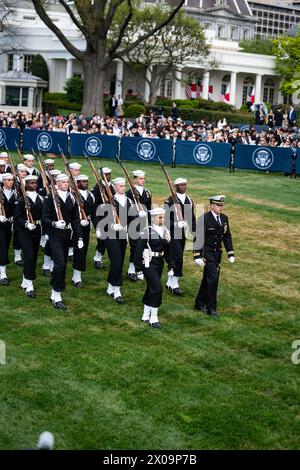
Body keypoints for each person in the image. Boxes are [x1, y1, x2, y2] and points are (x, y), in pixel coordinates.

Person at [42, 173, 83, 310]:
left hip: (67, 234)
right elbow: (44, 219)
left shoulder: (72, 198)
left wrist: (80, 237)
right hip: (54, 234)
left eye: (67, 182)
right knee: (59, 264)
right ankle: (57, 294)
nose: (66, 184)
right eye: (63, 182)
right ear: (57, 183)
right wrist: (54, 223)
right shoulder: (50, 198)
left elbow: (76, 219)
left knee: (63, 264)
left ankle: (54, 290)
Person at [193, 195, 235, 317]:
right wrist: (197, 255)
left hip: (217, 253)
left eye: (221, 205)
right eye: (218, 205)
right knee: (213, 280)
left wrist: (230, 252)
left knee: (208, 279)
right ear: (211, 205)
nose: (220, 207)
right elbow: (198, 238)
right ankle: (211, 307)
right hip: (207, 253)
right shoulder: (204, 219)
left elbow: (227, 236)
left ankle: (199, 303)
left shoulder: (224, 218)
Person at [134, 207, 174, 329]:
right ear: (153, 218)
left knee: (151, 288)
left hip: (159, 262)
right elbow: (138, 251)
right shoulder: (147, 231)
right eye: (159, 217)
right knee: (157, 289)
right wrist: (138, 269)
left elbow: (168, 251)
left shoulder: (166, 231)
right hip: (149, 262)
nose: (162, 219)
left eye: (163, 217)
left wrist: (171, 265)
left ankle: (145, 315)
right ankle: (153, 317)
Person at [101, 177, 134, 304]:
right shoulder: (109, 201)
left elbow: (132, 218)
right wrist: (111, 226)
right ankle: (117, 290)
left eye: (124, 186)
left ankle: (110, 286)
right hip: (111, 235)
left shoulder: (129, 201)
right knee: (117, 261)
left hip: (122, 235)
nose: (123, 188)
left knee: (118, 262)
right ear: (114, 187)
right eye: (120, 186)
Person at [165, 178, 196, 295]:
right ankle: (175, 283)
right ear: (175, 187)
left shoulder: (189, 200)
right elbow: (165, 220)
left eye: (184, 185)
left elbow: (191, 218)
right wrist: (176, 224)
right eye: (180, 185)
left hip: (182, 233)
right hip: (172, 232)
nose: (183, 187)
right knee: (177, 256)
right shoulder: (170, 201)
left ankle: (169, 282)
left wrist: (194, 230)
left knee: (178, 255)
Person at [14, 175, 44, 298]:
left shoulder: (41, 199)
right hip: (25, 232)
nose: (34, 185)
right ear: (25, 185)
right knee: (29, 256)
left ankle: (24, 280)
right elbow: (17, 218)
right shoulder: (22, 200)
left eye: (35, 183)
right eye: (31, 183)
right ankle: (29, 285)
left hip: (36, 230)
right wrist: (26, 223)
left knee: (34, 257)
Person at [126, 170, 152, 281]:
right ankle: (131, 269)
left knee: (142, 246)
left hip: (144, 224)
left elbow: (149, 209)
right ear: (135, 179)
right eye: (140, 178)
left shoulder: (147, 192)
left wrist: (151, 224)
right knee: (134, 247)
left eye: (143, 178)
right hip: (132, 223)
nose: (142, 180)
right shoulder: (129, 193)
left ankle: (139, 266)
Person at [71, 175, 95, 287]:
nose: (85, 183)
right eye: (82, 182)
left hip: (86, 224)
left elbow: (93, 213)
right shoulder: (73, 195)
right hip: (76, 225)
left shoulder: (91, 195)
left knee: (84, 250)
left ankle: (77, 274)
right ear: (77, 183)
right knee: (79, 250)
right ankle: (77, 277)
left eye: (86, 181)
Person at [92, 166, 114, 269]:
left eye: (109, 174)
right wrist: (96, 222)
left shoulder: (112, 186)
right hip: (100, 218)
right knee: (102, 240)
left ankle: (100, 257)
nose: (108, 176)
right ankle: (97, 258)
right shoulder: (97, 188)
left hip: (111, 218)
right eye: (106, 175)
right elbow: (94, 206)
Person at [0, 173, 18, 286]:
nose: (11, 182)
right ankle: (3, 274)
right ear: (3, 181)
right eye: (8, 180)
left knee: (5, 246)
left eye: (12, 180)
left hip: (9, 224)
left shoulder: (15, 193)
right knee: (2, 247)